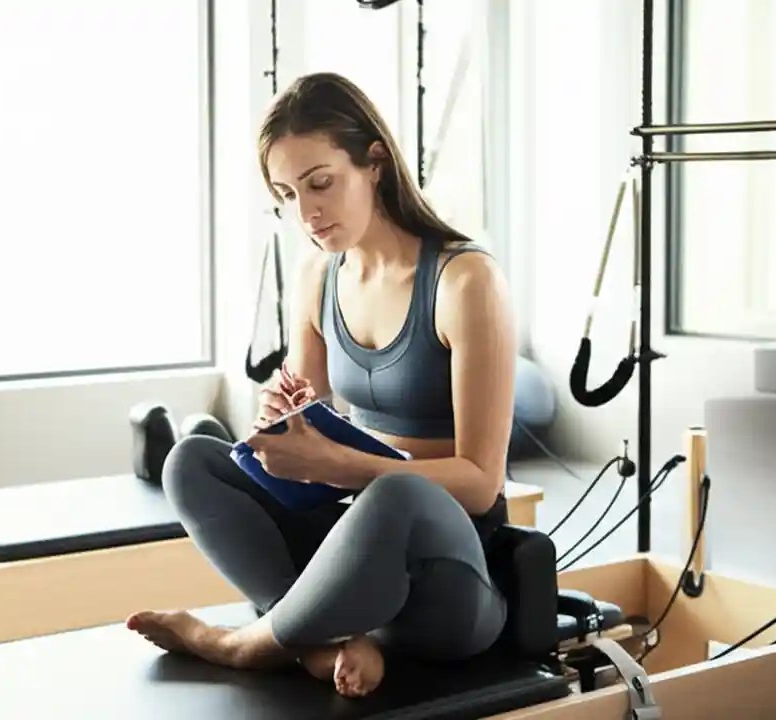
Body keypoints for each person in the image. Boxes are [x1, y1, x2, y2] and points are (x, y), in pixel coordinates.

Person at [126, 71, 517, 699]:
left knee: (395, 497)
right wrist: (281, 423)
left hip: (445, 577)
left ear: (375, 164)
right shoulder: (318, 274)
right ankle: (321, 641)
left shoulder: (465, 281)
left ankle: (245, 645)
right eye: (285, 193)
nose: (305, 213)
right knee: (190, 461)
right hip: (347, 543)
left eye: (321, 184)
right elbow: (304, 412)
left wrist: (335, 462)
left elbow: (479, 484)